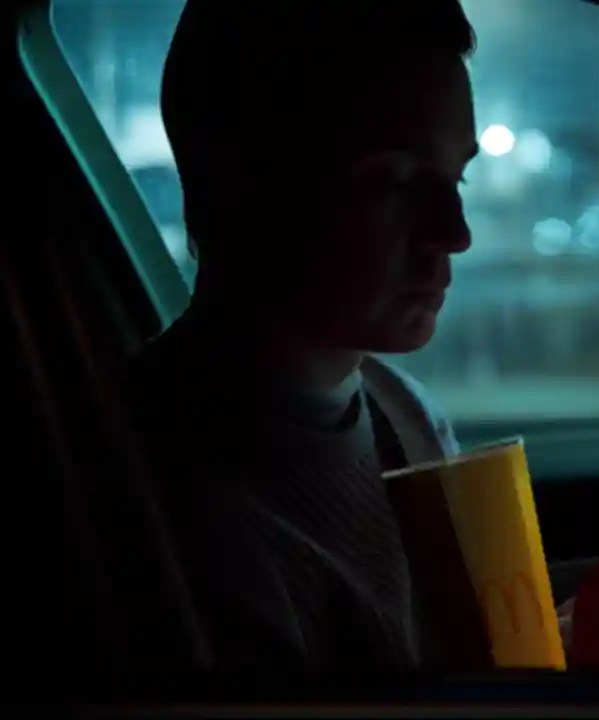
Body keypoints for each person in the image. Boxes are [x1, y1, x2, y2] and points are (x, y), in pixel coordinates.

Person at [124, 1, 479, 673]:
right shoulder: (159, 513)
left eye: (456, 177)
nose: (455, 232)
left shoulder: (401, 411)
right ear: (239, 185)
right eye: (394, 180)